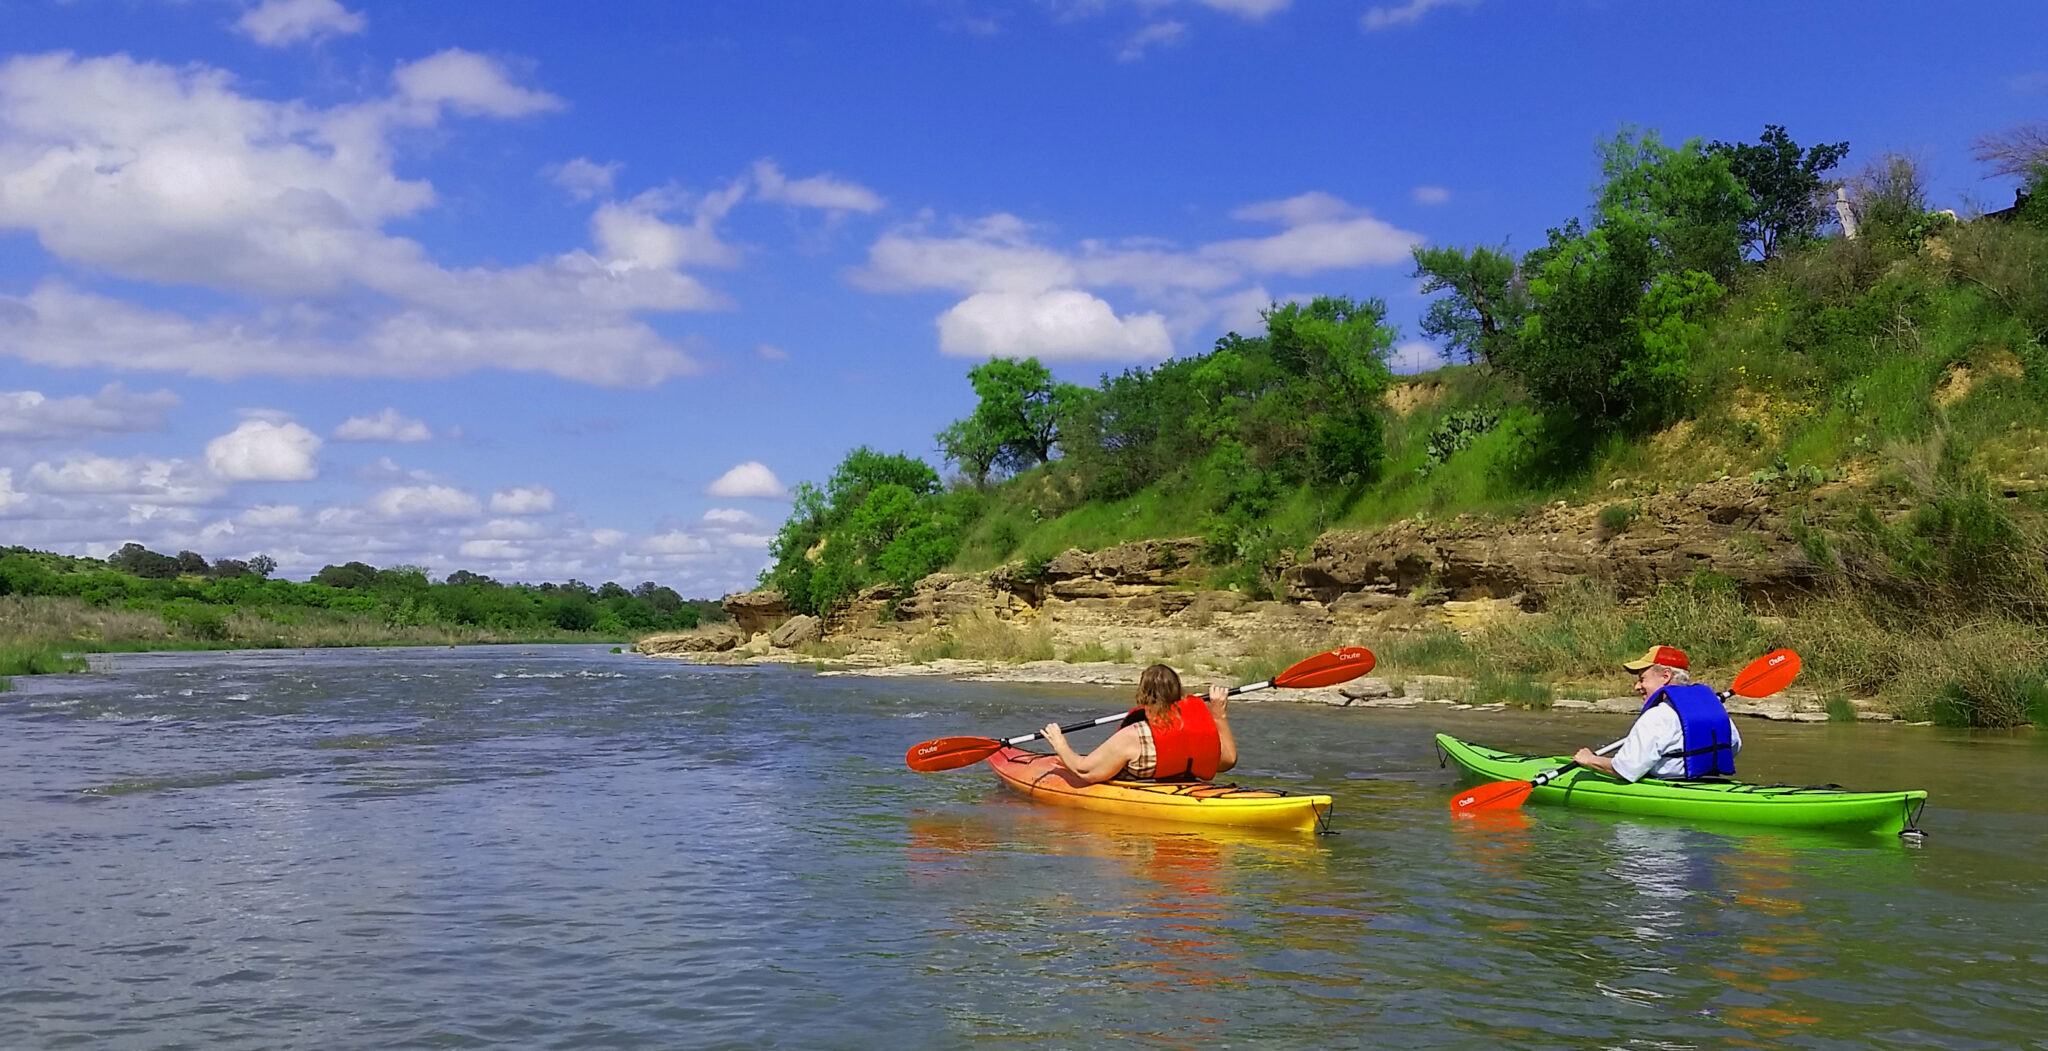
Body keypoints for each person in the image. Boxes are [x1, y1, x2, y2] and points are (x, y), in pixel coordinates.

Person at [1040, 664, 1236, 784]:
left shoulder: (1133, 736)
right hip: (1186, 789)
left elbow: (1084, 771)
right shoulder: (1198, 728)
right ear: (1178, 693)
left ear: (1142, 694)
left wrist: (1060, 744)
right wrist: (1219, 715)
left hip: (1146, 795)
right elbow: (1228, 761)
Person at [1571, 645, 1741, 783]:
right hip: (1711, 783)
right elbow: (1734, 747)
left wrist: (1589, 760)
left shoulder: (1657, 717)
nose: (1637, 686)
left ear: (1665, 676)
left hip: (1671, 789)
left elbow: (1624, 770)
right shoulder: (1715, 710)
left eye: (1642, 679)